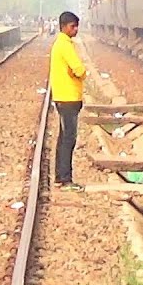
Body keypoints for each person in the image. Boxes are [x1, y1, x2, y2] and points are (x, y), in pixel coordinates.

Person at [49, 11, 86, 191]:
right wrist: (81, 72)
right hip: (68, 98)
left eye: (77, 26)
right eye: (73, 26)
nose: (76, 29)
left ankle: (60, 177)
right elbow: (79, 69)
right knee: (68, 139)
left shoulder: (60, 44)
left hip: (63, 97)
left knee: (64, 138)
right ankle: (65, 179)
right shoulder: (65, 45)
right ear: (64, 27)